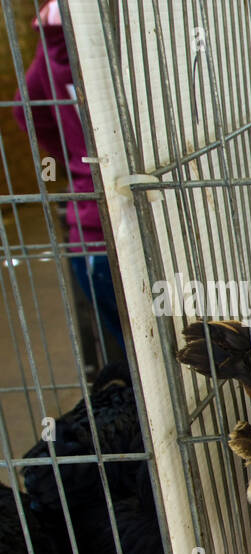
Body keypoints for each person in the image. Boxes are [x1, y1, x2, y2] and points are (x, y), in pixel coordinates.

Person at [14, 1, 124, 360]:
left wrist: (76, 162)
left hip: (91, 234)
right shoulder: (131, 27)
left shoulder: (51, 42)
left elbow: (24, 109)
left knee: (137, 363)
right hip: (142, 227)